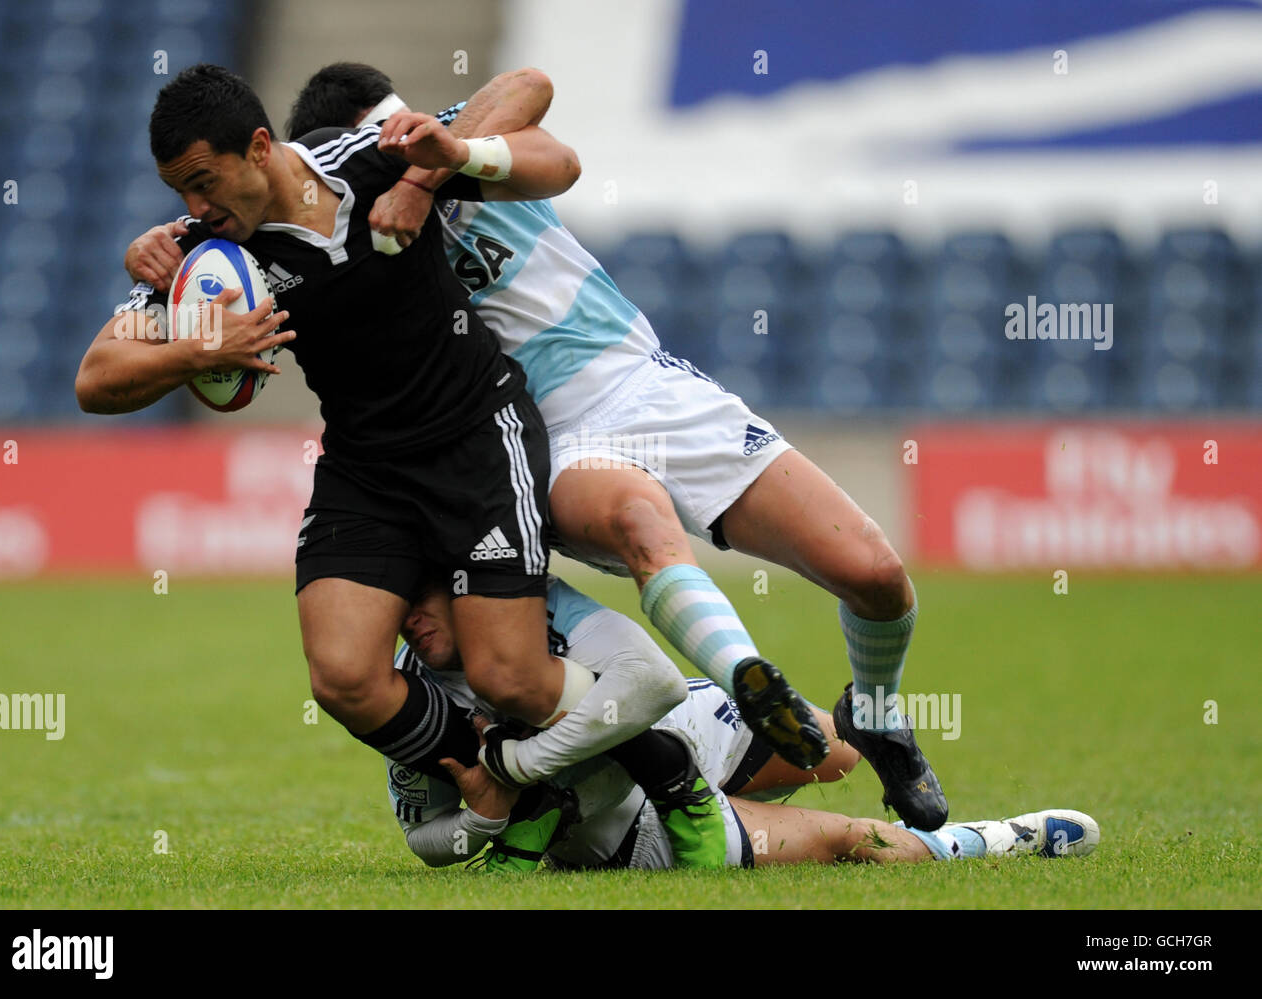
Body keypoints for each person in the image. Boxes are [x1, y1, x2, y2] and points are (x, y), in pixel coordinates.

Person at [77, 64, 730, 866]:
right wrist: (203, 345)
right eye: (179, 193)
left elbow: (532, 103)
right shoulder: (206, 255)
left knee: (514, 677)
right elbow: (96, 376)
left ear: (259, 148)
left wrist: (428, 176)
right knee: (344, 674)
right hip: (367, 469)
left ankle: (671, 771)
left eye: (204, 183)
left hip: (475, 441)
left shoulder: (368, 156)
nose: (193, 209)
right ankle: (488, 774)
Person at [275, 62, 949, 829]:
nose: (405, 141)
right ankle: (754, 686)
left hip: (651, 382)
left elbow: (528, 84)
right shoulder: (353, 240)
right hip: (540, 436)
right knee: (639, 520)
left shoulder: (464, 144)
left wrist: (429, 172)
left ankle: (878, 712)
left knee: (875, 573)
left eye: (408, 124)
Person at [384, 576, 1100, 871]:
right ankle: (997, 838)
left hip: (685, 716)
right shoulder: (406, 703)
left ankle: (881, 724)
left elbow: (646, 677)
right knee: (852, 841)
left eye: (422, 595)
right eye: (397, 605)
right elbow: (422, 836)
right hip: (630, 822)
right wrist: (481, 821)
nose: (411, 618)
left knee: (844, 755)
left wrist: (520, 760)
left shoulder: (524, 596)